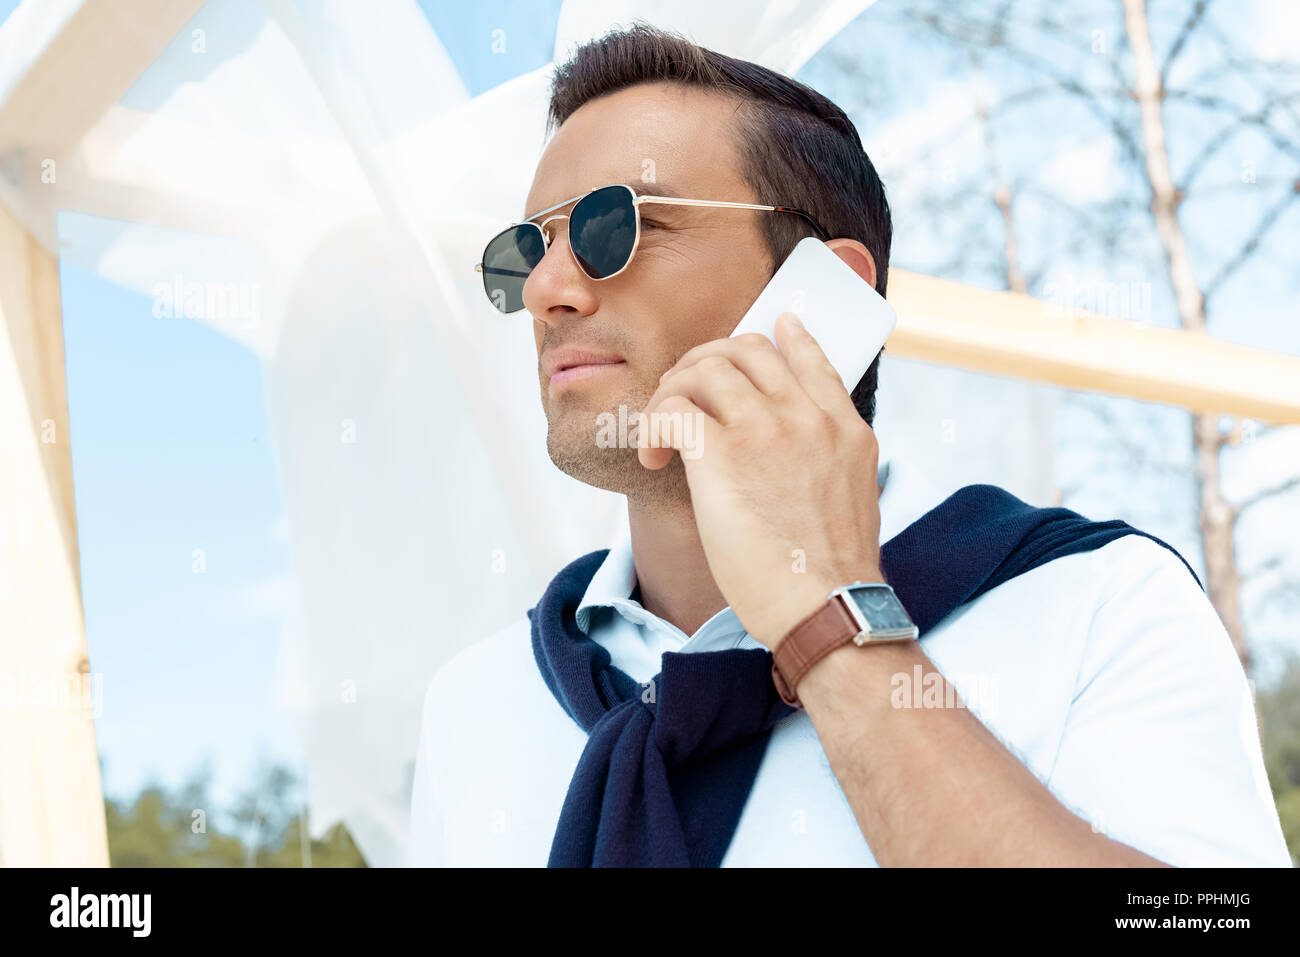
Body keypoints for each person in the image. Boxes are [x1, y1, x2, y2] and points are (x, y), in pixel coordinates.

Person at [409, 22, 1291, 867]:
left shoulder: (1098, 600)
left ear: (818, 291)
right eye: (527, 251)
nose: (546, 291)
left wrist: (831, 622)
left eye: (615, 224)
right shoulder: (474, 707)